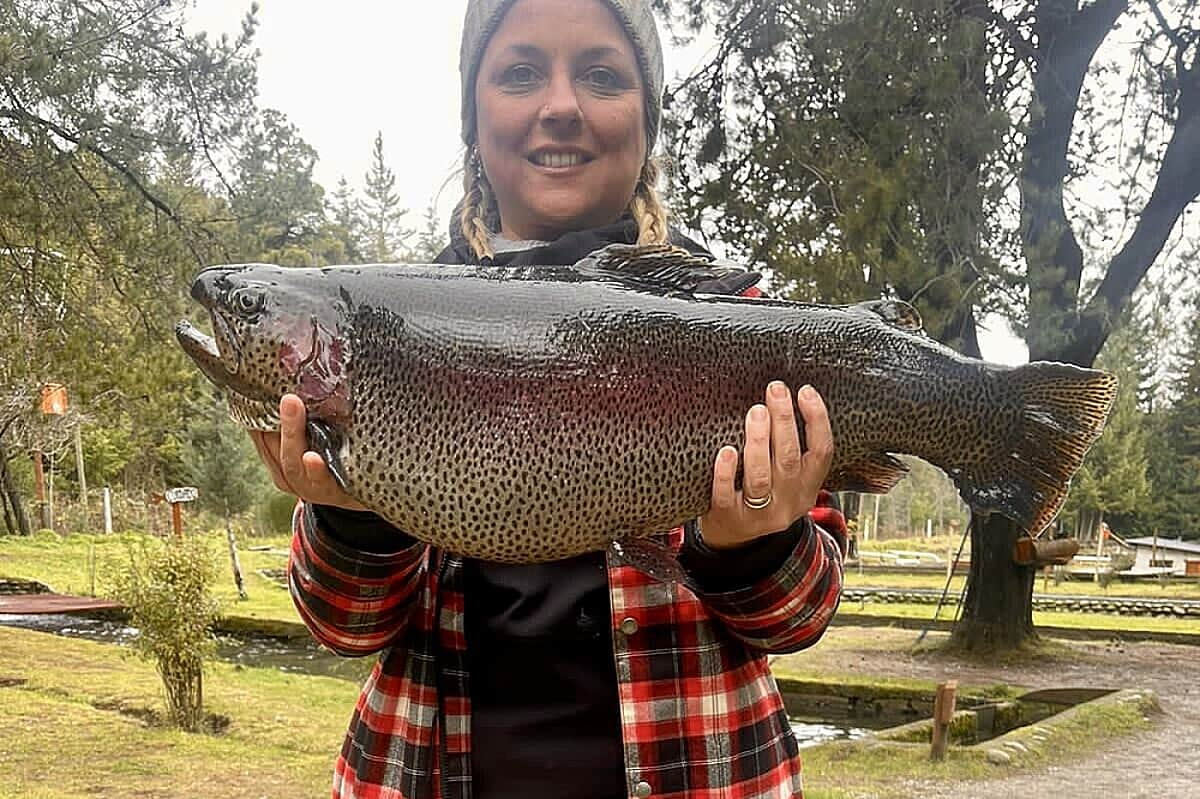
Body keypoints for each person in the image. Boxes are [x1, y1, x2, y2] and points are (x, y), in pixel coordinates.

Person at [251, 1, 847, 797]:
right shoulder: (387, 329)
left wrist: (753, 545)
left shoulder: (744, 327)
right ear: (475, 115)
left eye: (600, 75)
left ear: (648, 116)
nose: (559, 106)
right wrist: (349, 507)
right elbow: (346, 622)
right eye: (521, 73)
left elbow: (799, 618)